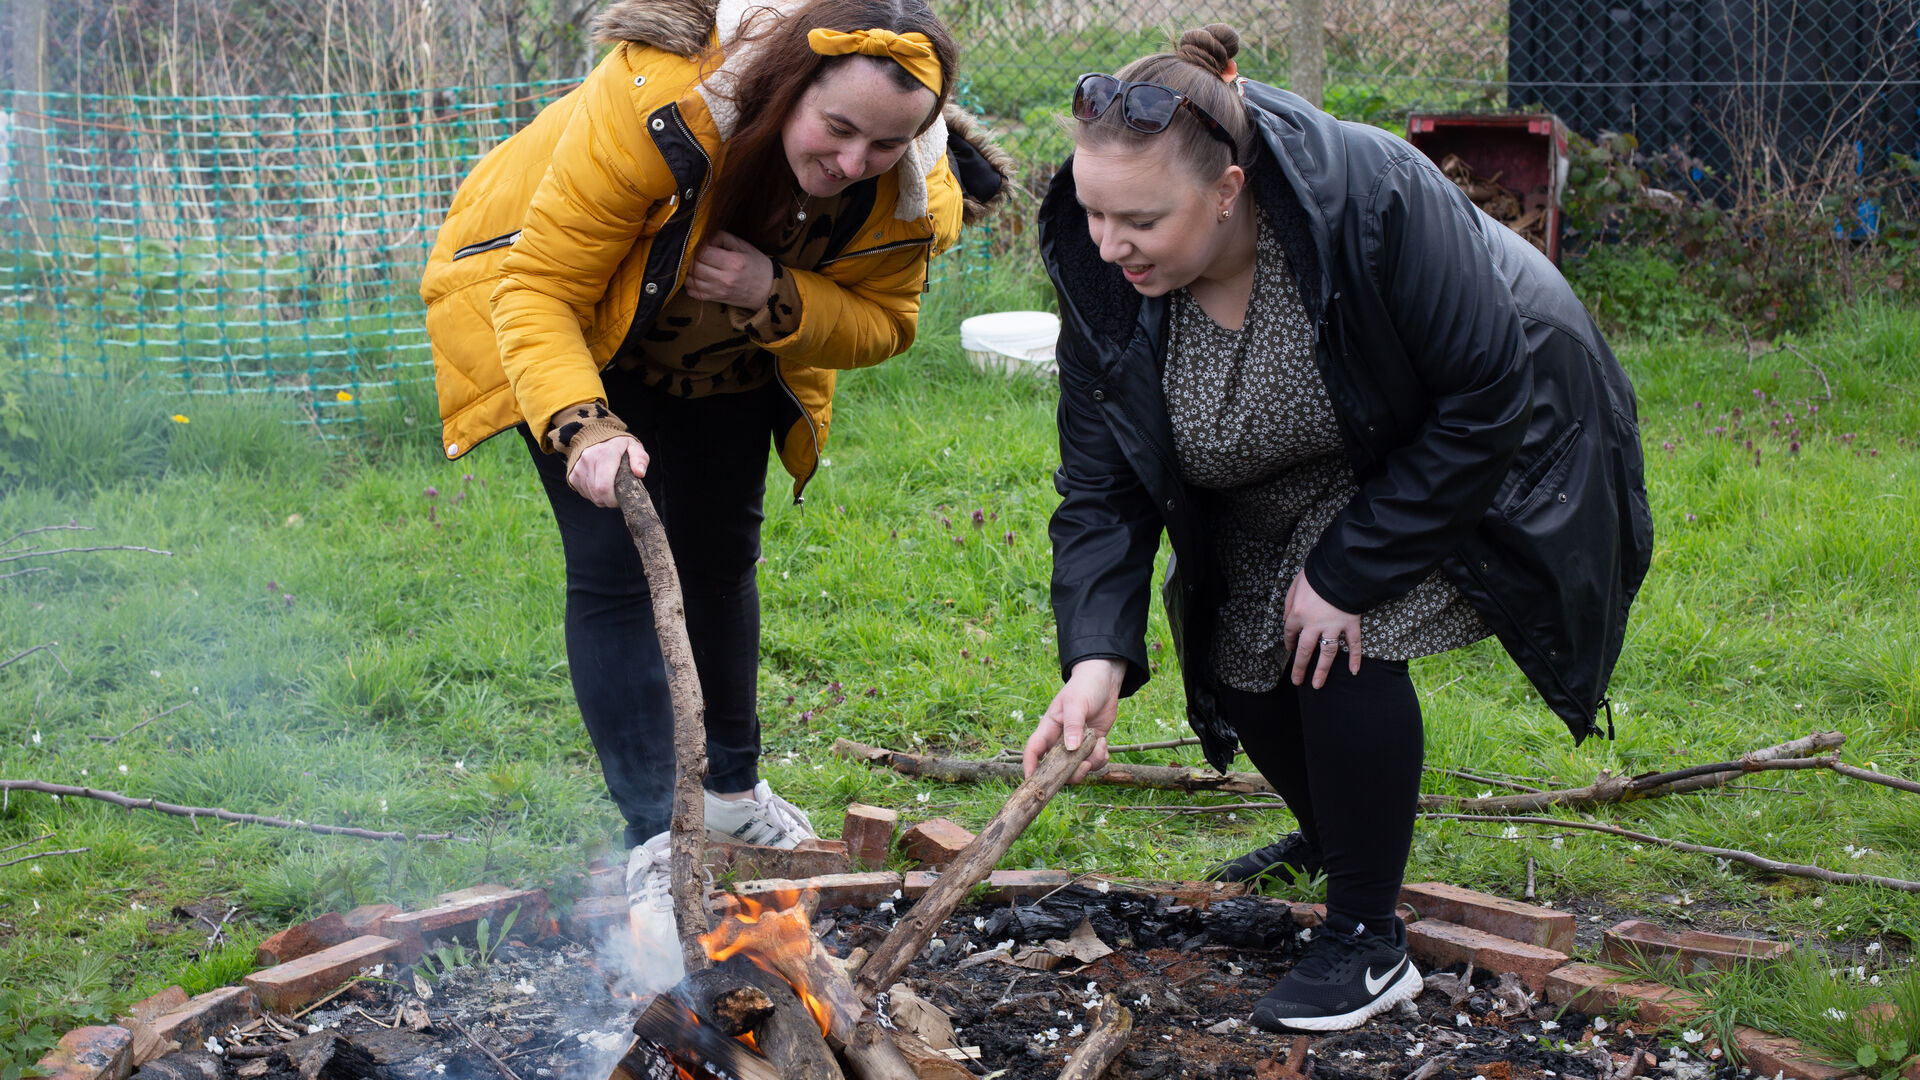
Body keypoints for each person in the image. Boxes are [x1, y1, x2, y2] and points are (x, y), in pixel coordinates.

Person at [1021, 25, 1652, 1032]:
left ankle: (1367, 939)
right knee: (1237, 655)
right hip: (1295, 462)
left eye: (1138, 218)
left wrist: (1350, 569)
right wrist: (1095, 653)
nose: (1106, 244)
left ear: (1229, 191)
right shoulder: (1108, 267)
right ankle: (1338, 832)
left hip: (1464, 438)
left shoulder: (1370, 198)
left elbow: (1488, 396)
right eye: (1092, 211)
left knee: (1333, 646)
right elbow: (1104, 483)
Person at [420, 0, 1008, 961]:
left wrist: (774, 293)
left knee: (724, 552)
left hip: (731, 346)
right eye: (839, 129)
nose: (855, 162)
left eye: (887, 142)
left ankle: (731, 796)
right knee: (615, 566)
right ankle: (657, 834)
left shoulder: (910, 186)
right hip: (571, 324)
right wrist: (582, 426)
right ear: (786, 91)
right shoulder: (661, 109)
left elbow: (885, 323)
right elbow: (538, 289)